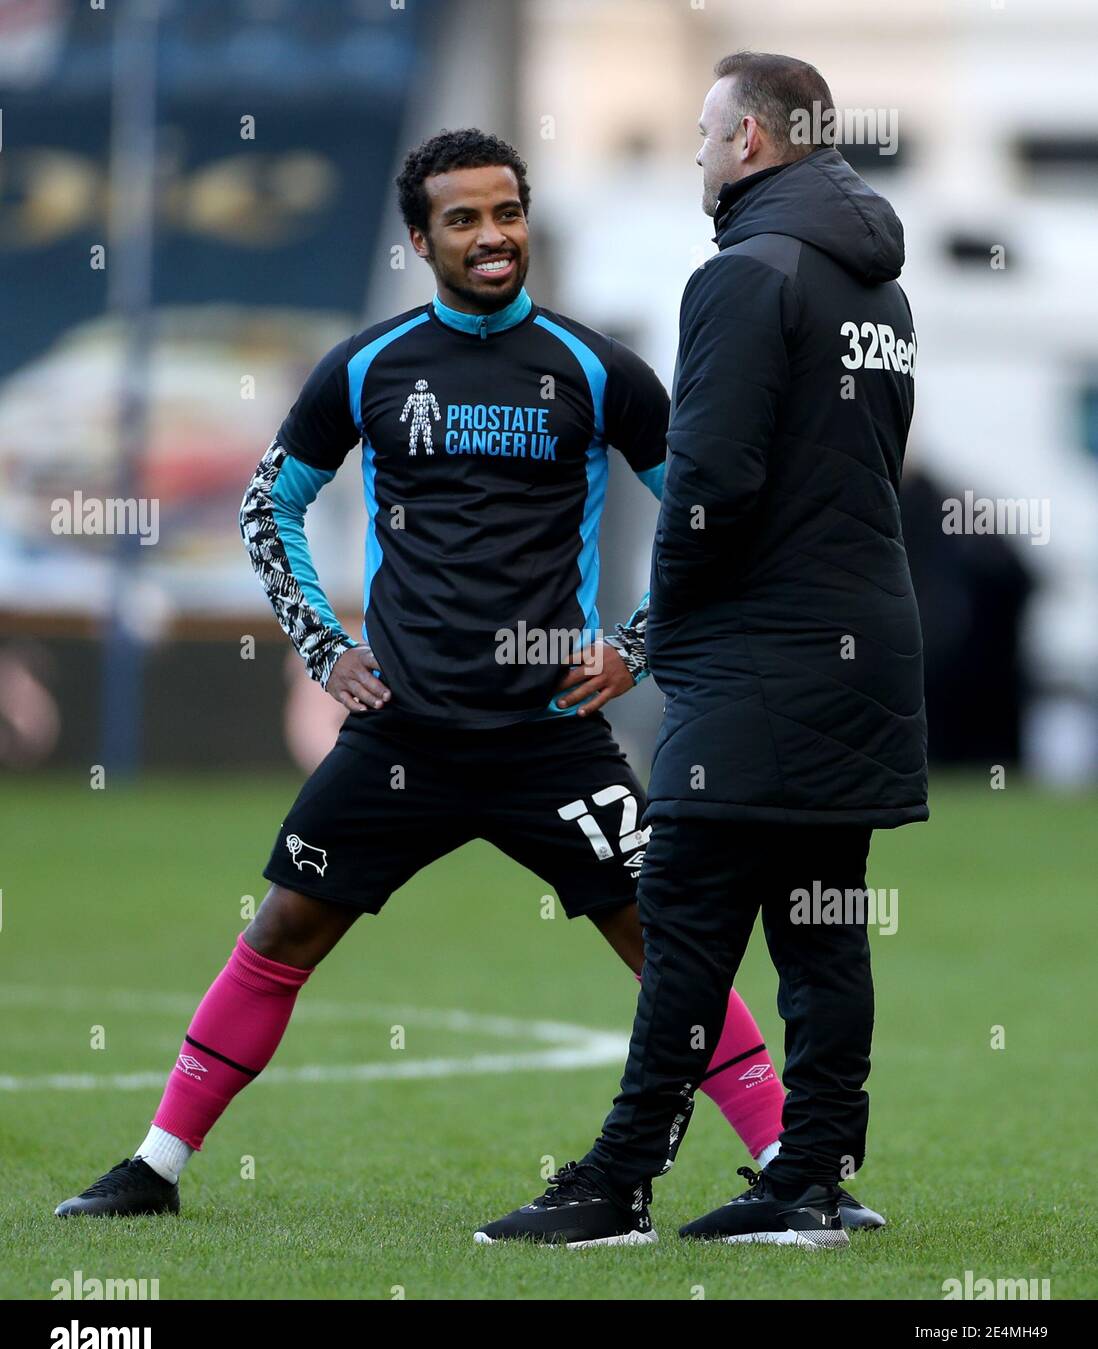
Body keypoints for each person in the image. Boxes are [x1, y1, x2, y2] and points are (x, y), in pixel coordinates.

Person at [55, 130, 883, 1225]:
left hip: (553, 740)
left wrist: (633, 647)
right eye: (463, 218)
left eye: (507, 212)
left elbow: (707, 514)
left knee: (669, 948)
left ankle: (790, 1171)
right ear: (420, 239)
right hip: (403, 737)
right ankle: (153, 1167)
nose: (492, 236)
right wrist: (323, 646)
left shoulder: (598, 369)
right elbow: (268, 505)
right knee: (281, 933)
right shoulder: (368, 365)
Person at [476, 53, 927, 1249]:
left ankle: (618, 1182)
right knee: (824, 922)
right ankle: (814, 1180)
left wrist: (664, 627)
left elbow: (710, 482)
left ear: (755, 142)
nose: (693, 154)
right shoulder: (878, 288)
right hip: (864, 647)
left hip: (758, 654)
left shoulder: (742, 276)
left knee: (680, 913)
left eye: (704, 131)